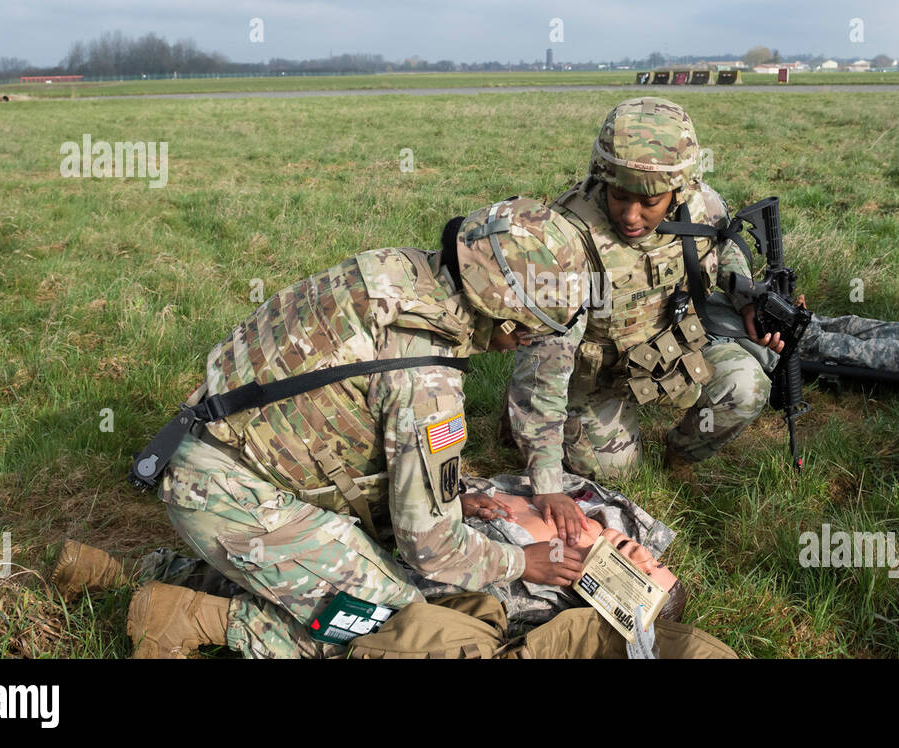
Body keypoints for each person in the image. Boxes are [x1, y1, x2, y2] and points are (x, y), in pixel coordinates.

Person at [119, 196, 592, 658]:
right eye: (528, 333)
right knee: (403, 625)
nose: (520, 345)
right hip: (232, 494)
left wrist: (447, 501)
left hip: (208, 446)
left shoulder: (391, 269)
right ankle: (194, 620)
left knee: (372, 574)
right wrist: (518, 562)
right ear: (503, 318)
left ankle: (139, 574)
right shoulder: (426, 379)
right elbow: (431, 547)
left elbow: (338, 418)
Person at [503, 97, 785, 535]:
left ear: (680, 189)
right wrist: (545, 478)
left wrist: (746, 295)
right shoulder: (568, 242)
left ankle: (679, 456)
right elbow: (540, 370)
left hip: (670, 352)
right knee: (618, 478)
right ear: (605, 179)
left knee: (745, 388)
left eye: (649, 201)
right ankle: (523, 426)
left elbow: (724, 244)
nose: (631, 216)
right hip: (593, 378)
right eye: (619, 196)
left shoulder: (702, 205)